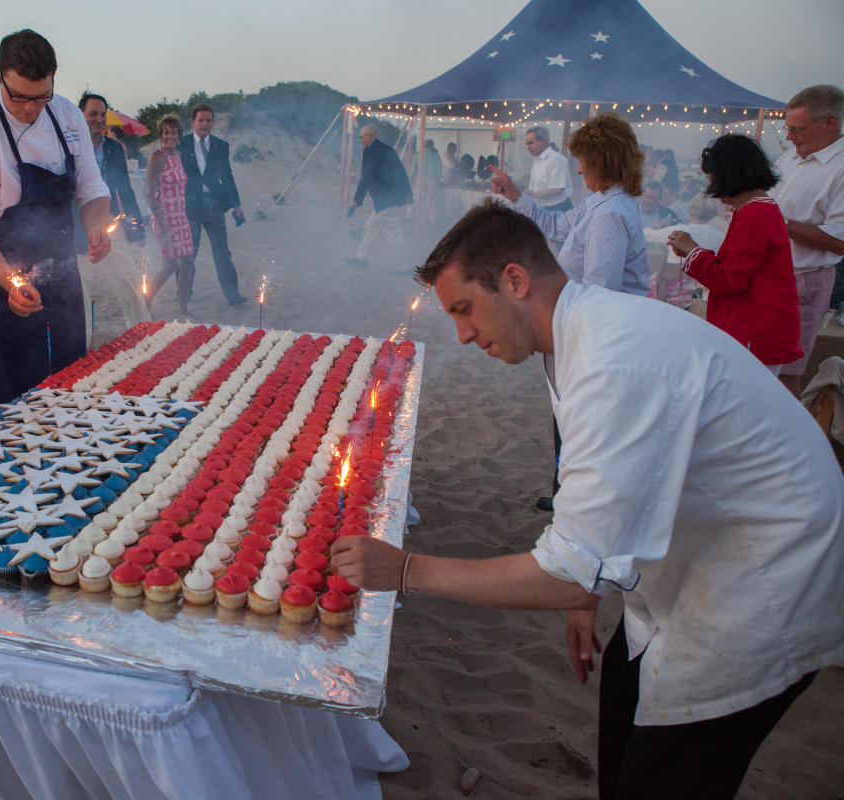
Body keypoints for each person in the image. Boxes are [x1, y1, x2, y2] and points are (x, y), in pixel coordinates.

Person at [332, 198, 844, 800]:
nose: (463, 336)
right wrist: (589, 589)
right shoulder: (574, 332)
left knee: (665, 776)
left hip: (763, 587)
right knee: (621, 722)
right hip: (690, 562)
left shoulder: (613, 360)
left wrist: (408, 570)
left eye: (464, 310)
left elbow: (570, 574)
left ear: (514, 281)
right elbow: (604, 494)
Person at [489, 112, 649, 511]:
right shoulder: (600, 202)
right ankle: (566, 493)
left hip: (593, 337)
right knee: (569, 418)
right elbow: (557, 225)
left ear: (603, 162)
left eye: (584, 162)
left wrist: (556, 320)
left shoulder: (610, 214)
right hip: (578, 330)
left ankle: (575, 499)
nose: (578, 170)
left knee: (582, 420)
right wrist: (516, 195)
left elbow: (599, 291)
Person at [0, 29, 111, 411]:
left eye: (41, 97)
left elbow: (91, 188)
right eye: (18, 97)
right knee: (14, 406)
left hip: (62, 274)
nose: (29, 109)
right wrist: (12, 283)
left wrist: (96, 226)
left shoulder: (68, 115)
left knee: (70, 388)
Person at [668, 135, 802, 375]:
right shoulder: (758, 209)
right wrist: (692, 251)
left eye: (713, 181)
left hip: (754, 332)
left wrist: (693, 250)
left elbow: (730, 279)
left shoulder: (755, 214)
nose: (712, 190)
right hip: (760, 329)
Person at [770, 84, 844, 397]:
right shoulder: (788, 158)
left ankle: (789, 426)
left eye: (797, 129)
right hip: (768, 275)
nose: (789, 137)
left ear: (829, 122)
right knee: (760, 363)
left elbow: (840, 242)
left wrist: (779, 222)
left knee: (786, 372)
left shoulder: (840, 167)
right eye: (787, 128)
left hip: (804, 280)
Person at [73, 91, 149, 342]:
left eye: (102, 115)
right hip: (77, 229)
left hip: (110, 224)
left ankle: (144, 335)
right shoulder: (69, 148)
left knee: (130, 283)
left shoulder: (114, 149)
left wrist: (136, 225)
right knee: (80, 294)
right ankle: (81, 347)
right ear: (80, 115)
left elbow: (124, 189)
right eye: (93, 114)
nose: (99, 119)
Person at [178, 103, 247, 306]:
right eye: (201, 120)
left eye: (208, 120)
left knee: (222, 252)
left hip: (214, 205)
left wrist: (236, 204)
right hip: (189, 206)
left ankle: (233, 295)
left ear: (213, 122)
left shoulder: (221, 145)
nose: (205, 124)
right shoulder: (181, 144)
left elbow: (227, 176)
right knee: (188, 253)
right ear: (193, 122)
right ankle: (184, 293)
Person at [146, 114, 195, 316]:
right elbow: (150, 192)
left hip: (180, 216)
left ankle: (183, 307)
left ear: (179, 134)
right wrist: (160, 221)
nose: (170, 136)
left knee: (187, 262)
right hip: (164, 216)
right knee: (169, 264)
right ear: (161, 135)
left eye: (173, 132)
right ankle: (145, 301)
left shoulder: (178, 155)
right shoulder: (157, 157)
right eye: (166, 133)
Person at [346, 125, 413, 271]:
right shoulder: (388, 149)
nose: (360, 140)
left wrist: (356, 200)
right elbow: (401, 172)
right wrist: (408, 193)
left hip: (384, 199)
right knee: (370, 229)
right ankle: (361, 258)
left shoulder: (370, 151)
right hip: (386, 198)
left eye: (362, 137)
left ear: (370, 136)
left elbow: (366, 178)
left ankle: (405, 265)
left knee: (394, 233)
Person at [645, 193, 723, 308]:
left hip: (670, 294)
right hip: (702, 296)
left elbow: (645, 234)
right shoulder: (721, 237)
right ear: (713, 213)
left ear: (690, 211)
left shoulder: (678, 231)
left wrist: (657, 225)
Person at [523, 126, 572, 212]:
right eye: (526, 144)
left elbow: (557, 188)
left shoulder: (557, 159)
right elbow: (533, 189)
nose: (528, 147)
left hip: (558, 208)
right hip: (542, 207)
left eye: (530, 143)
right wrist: (520, 195)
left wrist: (533, 195)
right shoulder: (536, 161)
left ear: (543, 141)